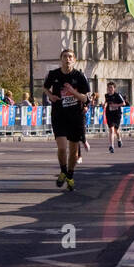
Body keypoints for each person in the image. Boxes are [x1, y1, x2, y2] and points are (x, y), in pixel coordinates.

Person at [43, 48, 90, 191]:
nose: (67, 59)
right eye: (65, 56)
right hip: (59, 115)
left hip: (75, 116)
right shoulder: (53, 74)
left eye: (70, 57)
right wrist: (50, 95)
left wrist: (73, 92)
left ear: (74, 60)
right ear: (61, 59)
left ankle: (70, 174)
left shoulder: (80, 76)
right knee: (62, 148)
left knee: (74, 151)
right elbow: (45, 88)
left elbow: (85, 98)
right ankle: (63, 171)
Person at [104, 81, 125, 152]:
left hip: (117, 114)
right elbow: (106, 102)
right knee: (111, 130)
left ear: (114, 88)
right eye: (109, 87)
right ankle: (111, 146)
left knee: (116, 130)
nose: (110, 89)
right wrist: (104, 105)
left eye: (111, 88)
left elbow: (123, 103)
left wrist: (115, 105)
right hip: (109, 114)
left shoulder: (117, 95)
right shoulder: (106, 95)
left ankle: (119, 139)